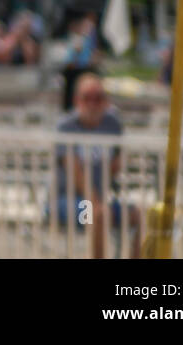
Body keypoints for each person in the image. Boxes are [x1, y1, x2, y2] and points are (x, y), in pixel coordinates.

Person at [52, 73, 141, 258]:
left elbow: (117, 161)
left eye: (98, 98)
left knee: (138, 215)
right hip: (64, 200)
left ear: (106, 101)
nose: (93, 104)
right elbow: (73, 171)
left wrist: (101, 197)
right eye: (87, 98)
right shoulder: (65, 126)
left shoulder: (113, 124)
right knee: (98, 214)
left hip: (100, 199)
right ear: (77, 100)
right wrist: (96, 200)